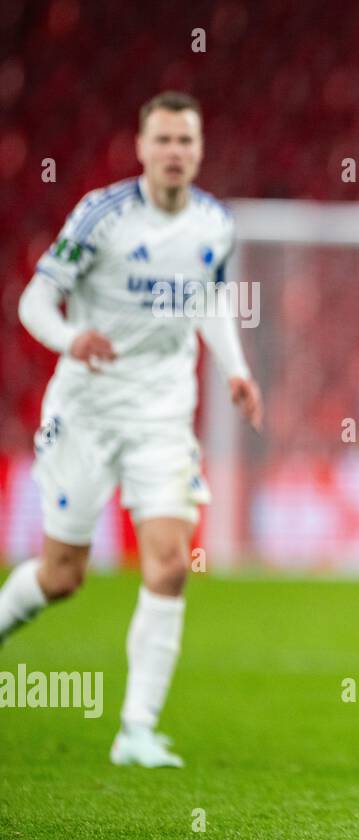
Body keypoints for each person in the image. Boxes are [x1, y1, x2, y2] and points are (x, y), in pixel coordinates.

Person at [0, 91, 262, 766]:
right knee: (62, 576)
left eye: (186, 142)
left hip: (162, 417)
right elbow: (34, 297)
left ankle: (136, 730)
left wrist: (236, 370)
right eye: (164, 141)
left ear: (199, 151)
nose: (175, 152)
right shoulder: (101, 216)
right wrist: (69, 336)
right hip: (86, 410)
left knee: (171, 563)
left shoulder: (214, 224)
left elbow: (211, 301)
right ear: (141, 148)